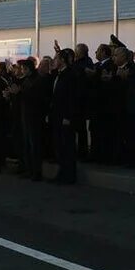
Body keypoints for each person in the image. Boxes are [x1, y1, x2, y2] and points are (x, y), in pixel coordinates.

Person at [50, 48, 82, 183]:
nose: (54, 61)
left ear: (62, 60)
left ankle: (69, 175)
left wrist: (68, 117)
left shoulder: (70, 75)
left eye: (56, 59)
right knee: (60, 146)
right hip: (57, 116)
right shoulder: (59, 74)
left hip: (65, 117)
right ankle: (62, 173)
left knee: (67, 147)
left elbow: (72, 98)